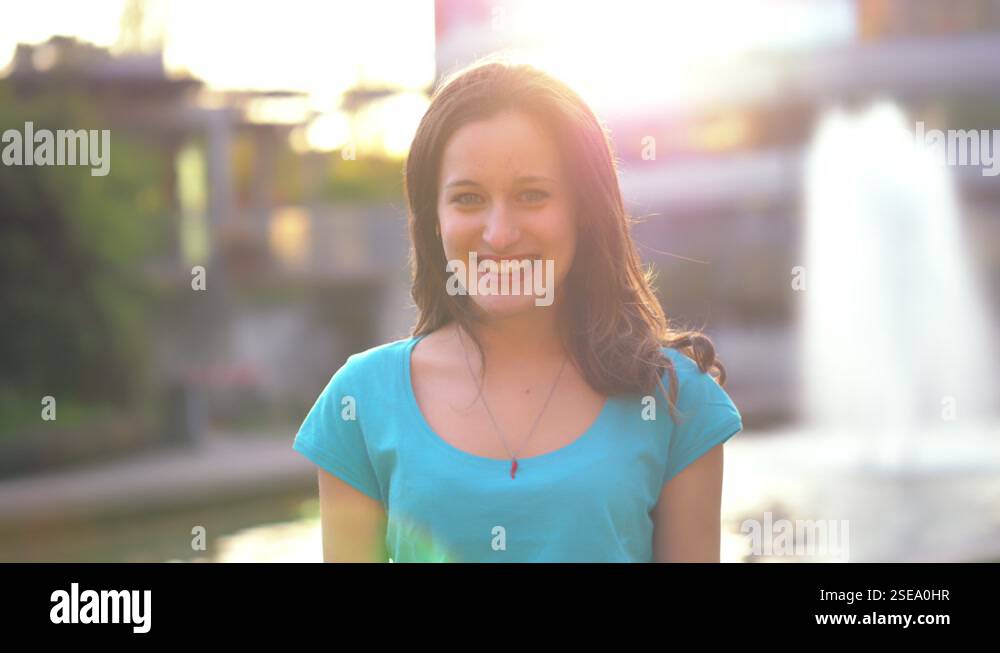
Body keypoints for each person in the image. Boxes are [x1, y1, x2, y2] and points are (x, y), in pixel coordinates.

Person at [292, 58, 743, 562]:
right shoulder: (360, 402)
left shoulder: (679, 402)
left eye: (532, 195)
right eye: (468, 198)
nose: (499, 233)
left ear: (584, 210)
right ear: (433, 219)